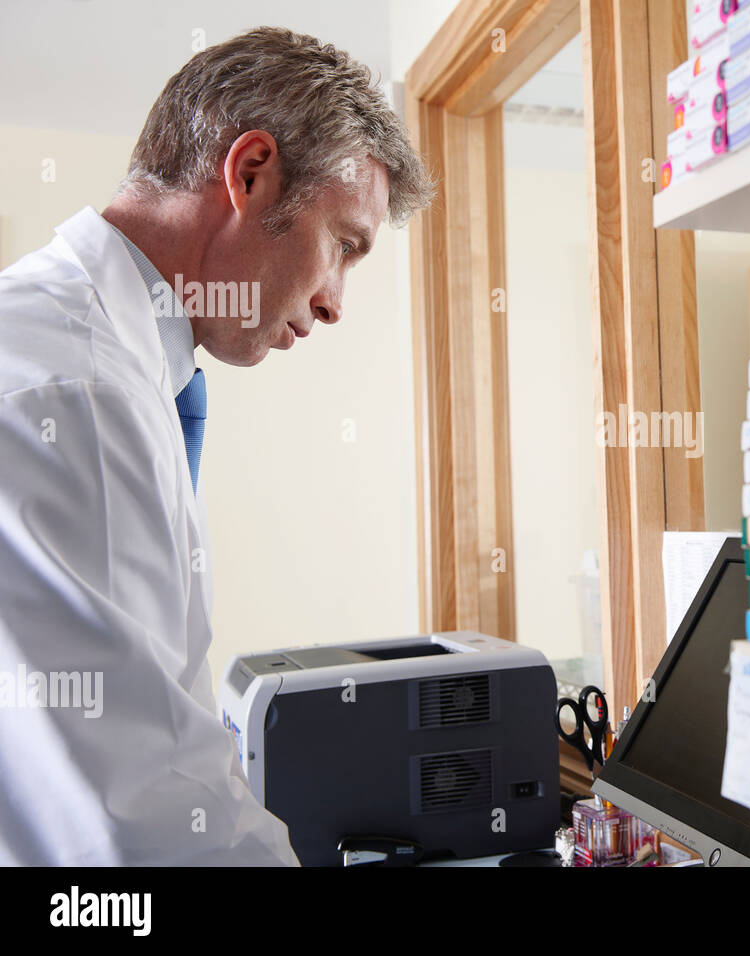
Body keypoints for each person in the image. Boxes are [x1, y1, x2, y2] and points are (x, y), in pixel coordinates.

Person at [0, 27, 433, 865]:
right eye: (344, 244)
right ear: (249, 173)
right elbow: (138, 827)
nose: (336, 301)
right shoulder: (81, 396)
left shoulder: (81, 350)